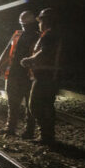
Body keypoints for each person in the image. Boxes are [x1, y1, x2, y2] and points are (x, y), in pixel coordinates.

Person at [21, 8, 62, 145]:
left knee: (36, 105)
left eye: (40, 20)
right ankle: (47, 135)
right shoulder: (49, 35)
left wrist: (29, 60)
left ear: (45, 21)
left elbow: (44, 53)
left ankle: (46, 136)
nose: (39, 23)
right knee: (46, 105)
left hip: (45, 77)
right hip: (47, 76)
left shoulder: (49, 36)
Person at [0, 11, 39, 136]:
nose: (24, 27)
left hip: (28, 75)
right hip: (13, 73)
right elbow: (7, 50)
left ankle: (29, 130)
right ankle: (11, 127)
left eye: (26, 24)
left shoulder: (38, 37)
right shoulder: (17, 35)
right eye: (23, 24)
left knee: (29, 105)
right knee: (12, 103)